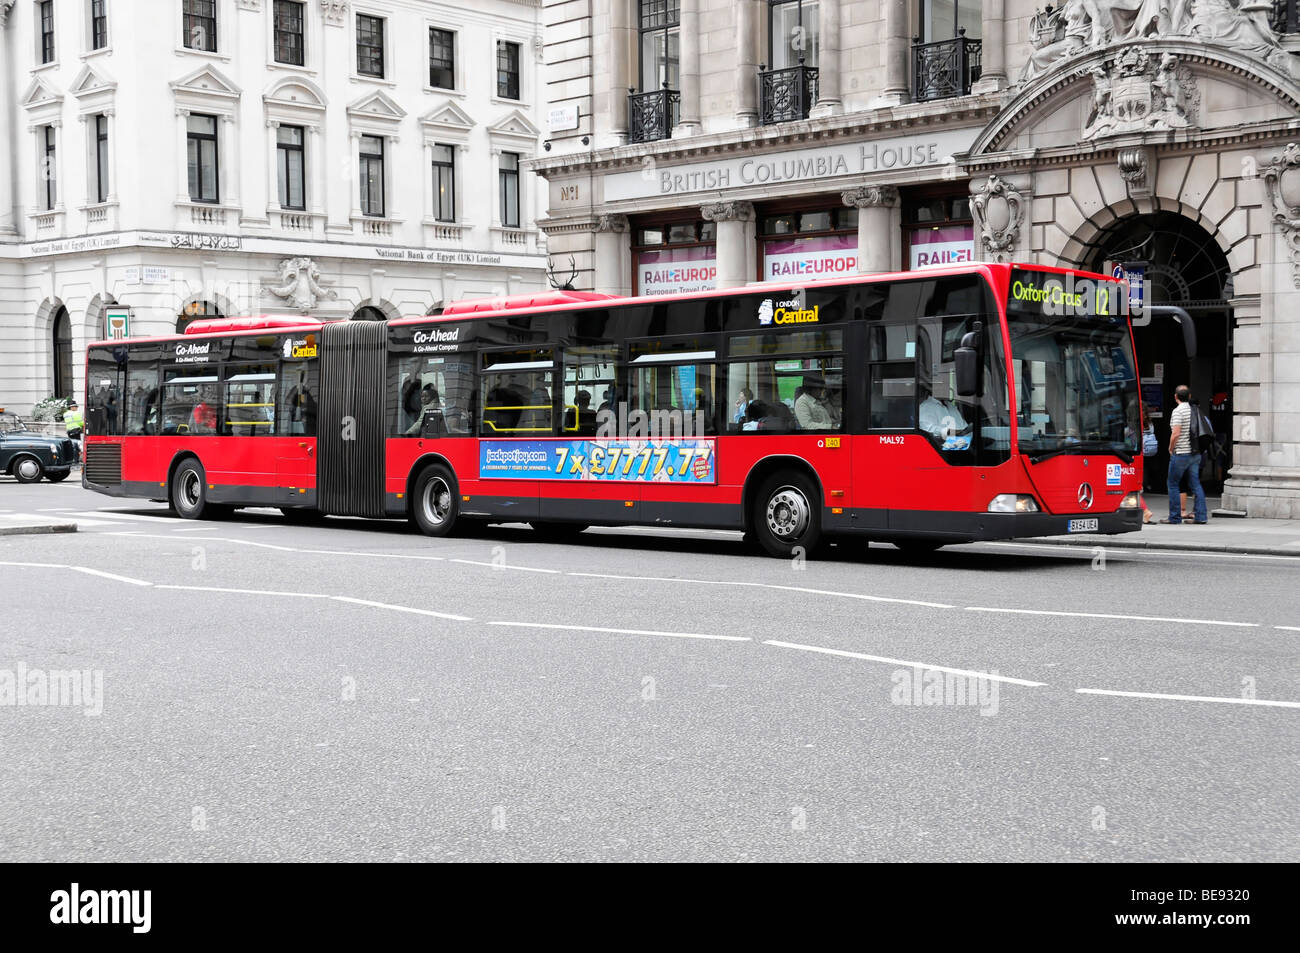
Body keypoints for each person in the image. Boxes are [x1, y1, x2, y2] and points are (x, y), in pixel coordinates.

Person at [1161, 384, 1207, 524]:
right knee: (1195, 485)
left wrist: (1170, 448)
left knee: (1173, 484)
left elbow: (1176, 433)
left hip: (1181, 453)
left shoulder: (1178, 411)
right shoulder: (1195, 410)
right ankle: (1201, 517)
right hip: (1195, 453)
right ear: (1190, 397)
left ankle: (1174, 517)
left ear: (1175, 397)